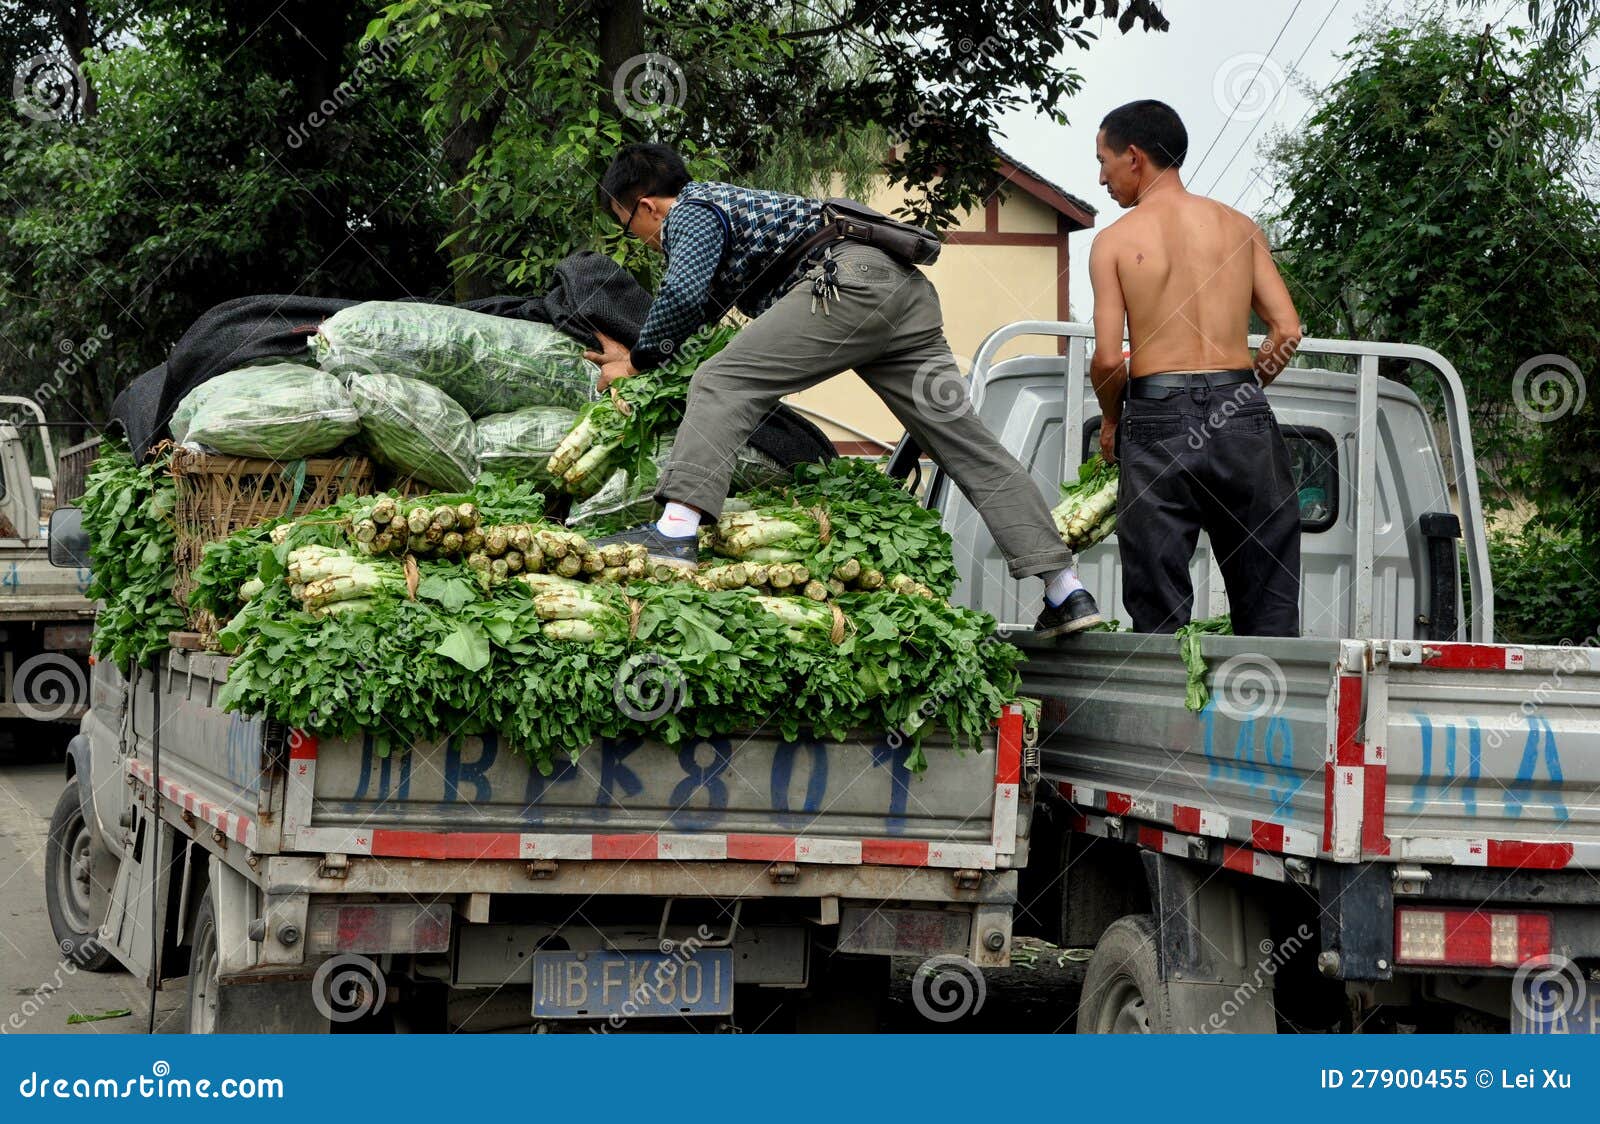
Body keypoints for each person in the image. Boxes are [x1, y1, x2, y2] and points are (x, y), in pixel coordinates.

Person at [584, 142, 1103, 636]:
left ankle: (674, 533)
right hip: (902, 293)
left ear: (648, 206)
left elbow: (681, 293)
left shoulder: (692, 210)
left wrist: (640, 359)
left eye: (630, 228)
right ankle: (1064, 589)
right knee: (964, 443)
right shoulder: (732, 210)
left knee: (720, 382)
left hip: (844, 282)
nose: (643, 242)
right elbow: (707, 312)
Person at [1088, 100, 1303, 637]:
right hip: (1242, 411)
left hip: (1157, 418)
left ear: (1133, 157)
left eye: (1103, 161)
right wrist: (1247, 390)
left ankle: (1162, 710)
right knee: (1269, 597)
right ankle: (1272, 706)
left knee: (1157, 604)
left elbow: (1110, 358)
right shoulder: (1240, 227)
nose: (1100, 178)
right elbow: (1287, 331)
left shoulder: (1113, 242)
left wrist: (1112, 421)